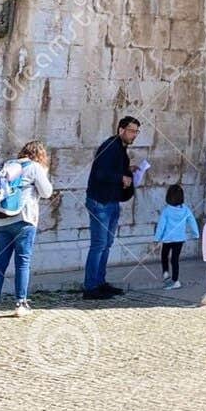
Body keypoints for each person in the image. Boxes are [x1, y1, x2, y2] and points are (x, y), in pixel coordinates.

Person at [0, 141, 53, 319]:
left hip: (1, 219)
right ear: (39, 155)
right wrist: (44, 173)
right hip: (24, 218)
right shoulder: (35, 167)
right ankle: (20, 303)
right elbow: (47, 192)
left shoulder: (7, 165)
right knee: (22, 262)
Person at [83, 115, 141, 300]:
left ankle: (100, 282)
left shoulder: (120, 149)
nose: (134, 135)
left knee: (106, 244)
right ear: (121, 130)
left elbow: (111, 169)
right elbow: (101, 173)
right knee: (99, 245)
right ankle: (90, 286)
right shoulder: (111, 147)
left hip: (112, 201)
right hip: (101, 201)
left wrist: (128, 170)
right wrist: (120, 178)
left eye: (136, 132)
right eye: (131, 131)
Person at [153, 183, 200, 290]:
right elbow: (192, 222)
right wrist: (196, 234)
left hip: (167, 239)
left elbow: (161, 226)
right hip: (179, 239)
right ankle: (175, 280)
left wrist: (157, 238)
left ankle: (166, 273)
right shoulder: (186, 210)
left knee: (164, 256)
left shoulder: (166, 210)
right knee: (175, 260)